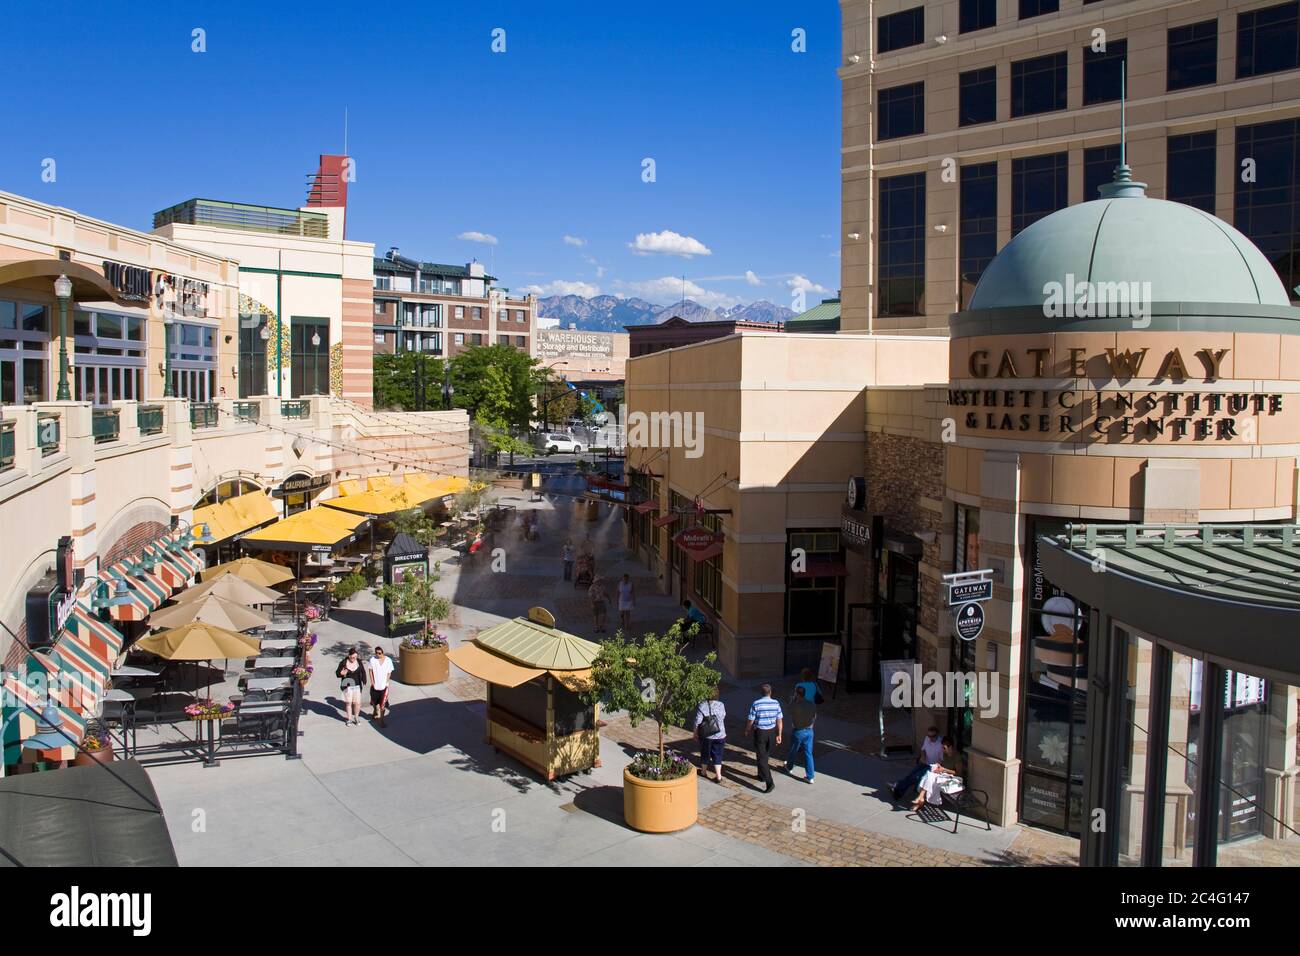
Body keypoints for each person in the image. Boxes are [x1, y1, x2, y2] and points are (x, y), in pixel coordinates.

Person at [745, 683, 783, 793]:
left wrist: (747, 729)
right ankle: (761, 775)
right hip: (771, 732)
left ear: (761, 693)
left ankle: (769, 782)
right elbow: (779, 720)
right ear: (770, 692)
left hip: (760, 733)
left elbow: (751, 720)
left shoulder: (756, 704)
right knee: (764, 755)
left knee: (762, 758)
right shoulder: (776, 703)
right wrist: (779, 734)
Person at [891, 725, 946, 801]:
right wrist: (923, 756)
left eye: (933, 736)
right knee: (911, 774)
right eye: (929, 735)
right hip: (925, 762)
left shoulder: (940, 744)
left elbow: (941, 759)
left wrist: (935, 766)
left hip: (933, 766)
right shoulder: (927, 739)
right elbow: (923, 749)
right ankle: (898, 791)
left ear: (937, 735)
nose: (930, 738)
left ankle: (897, 787)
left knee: (916, 776)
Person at [911, 737, 966, 811]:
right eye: (942, 747)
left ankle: (920, 800)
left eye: (944, 748)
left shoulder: (957, 757)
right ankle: (921, 798)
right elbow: (941, 763)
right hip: (944, 775)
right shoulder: (944, 754)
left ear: (950, 747)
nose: (943, 749)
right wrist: (939, 766)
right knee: (929, 775)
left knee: (929, 777)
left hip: (953, 778)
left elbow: (959, 773)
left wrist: (944, 769)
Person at [693, 687, 727, 782]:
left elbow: (697, 721)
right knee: (718, 754)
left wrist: (695, 732)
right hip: (720, 734)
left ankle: (703, 772)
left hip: (707, 735)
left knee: (705, 753)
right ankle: (719, 776)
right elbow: (723, 716)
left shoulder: (702, 705)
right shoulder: (721, 705)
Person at [784, 685, 816, 783]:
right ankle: (810, 776)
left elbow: (787, 710)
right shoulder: (811, 704)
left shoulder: (795, 705)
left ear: (797, 694)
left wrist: (793, 700)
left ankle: (789, 767)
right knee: (808, 753)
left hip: (798, 731)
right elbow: (814, 716)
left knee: (793, 750)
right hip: (809, 731)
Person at [336, 647, 367, 725]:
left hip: (357, 685)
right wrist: (341, 674)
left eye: (355, 657)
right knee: (349, 703)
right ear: (349, 656)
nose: (354, 659)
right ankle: (349, 719)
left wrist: (364, 680)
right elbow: (337, 673)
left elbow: (363, 671)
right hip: (347, 686)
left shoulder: (358, 662)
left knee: (357, 703)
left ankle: (356, 717)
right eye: (353, 657)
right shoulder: (343, 663)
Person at [367, 646, 395, 726]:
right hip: (375, 686)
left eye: (379, 653)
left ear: (383, 653)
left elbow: (389, 672)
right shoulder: (372, 660)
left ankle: (381, 720)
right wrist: (372, 682)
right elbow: (370, 671)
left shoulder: (388, 661)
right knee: (374, 702)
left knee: (382, 705)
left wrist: (386, 682)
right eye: (376, 653)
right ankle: (375, 711)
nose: (378, 655)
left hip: (384, 687)